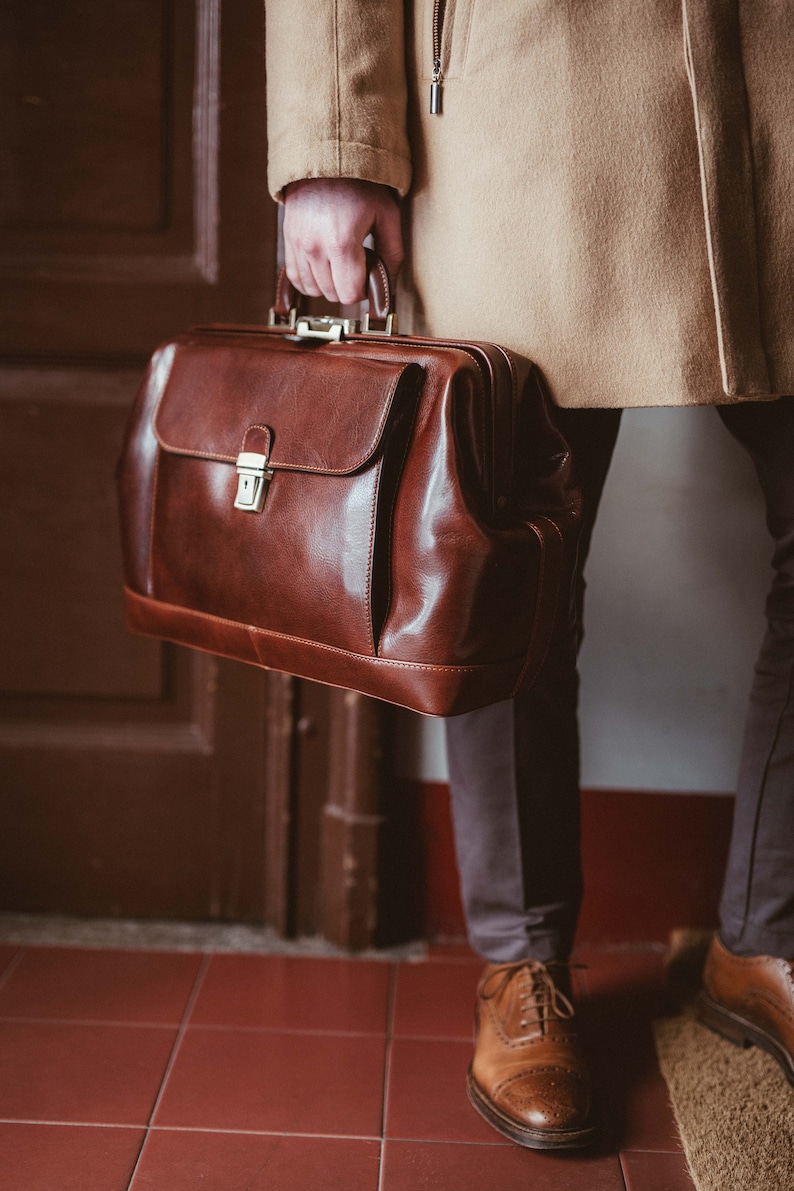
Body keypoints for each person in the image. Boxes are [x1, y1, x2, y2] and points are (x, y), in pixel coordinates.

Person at [264, 0, 794, 1150]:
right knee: (501, 561)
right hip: (532, 93)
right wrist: (329, 145)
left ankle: (769, 939)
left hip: (780, 94)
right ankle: (521, 966)